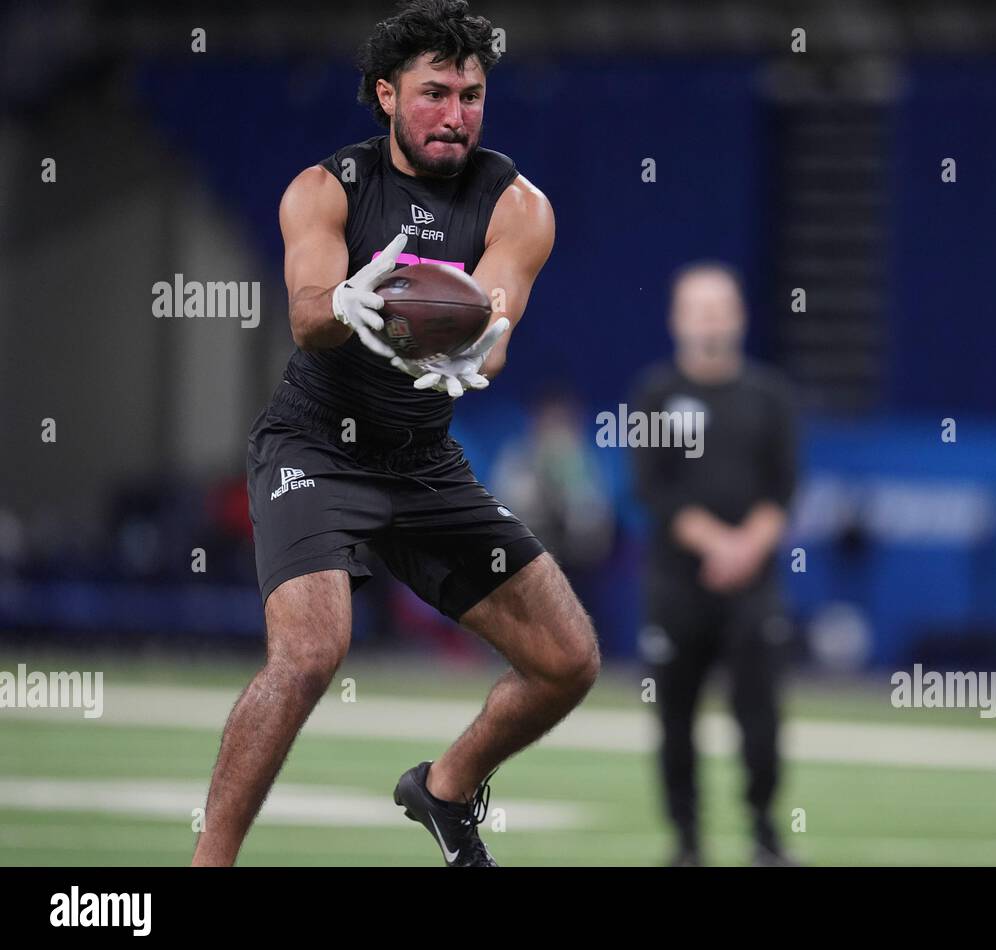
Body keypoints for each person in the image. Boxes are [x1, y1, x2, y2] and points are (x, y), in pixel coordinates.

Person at [192, 0, 600, 868]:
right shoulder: (324, 187)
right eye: (433, 93)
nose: (456, 115)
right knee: (310, 653)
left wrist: (471, 342)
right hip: (314, 448)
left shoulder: (519, 205)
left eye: (472, 94)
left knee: (568, 660)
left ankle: (444, 791)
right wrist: (347, 304)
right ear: (384, 95)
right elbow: (306, 316)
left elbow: (491, 337)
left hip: (421, 460)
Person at [630, 262, 800, 866]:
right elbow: (651, 490)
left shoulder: (769, 396)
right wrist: (714, 545)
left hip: (753, 587)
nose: (709, 320)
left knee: (761, 714)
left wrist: (747, 546)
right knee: (675, 716)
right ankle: (687, 841)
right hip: (678, 585)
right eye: (697, 309)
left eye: (719, 307)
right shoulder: (655, 393)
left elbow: (783, 488)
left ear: (739, 315)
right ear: (677, 318)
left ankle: (763, 830)